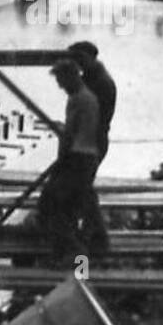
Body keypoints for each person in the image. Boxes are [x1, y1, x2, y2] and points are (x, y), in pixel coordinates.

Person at [38, 59, 105, 266]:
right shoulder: (88, 98)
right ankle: (79, 252)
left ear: (71, 77)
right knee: (72, 205)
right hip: (86, 156)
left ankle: (76, 252)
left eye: (61, 80)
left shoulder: (78, 99)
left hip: (77, 158)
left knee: (51, 204)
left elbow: (71, 135)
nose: (60, 86)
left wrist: (61, 162)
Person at [68, 41, 117, 254]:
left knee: (83, 188)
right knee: (82, 188)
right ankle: (90, 235)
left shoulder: (99, 83)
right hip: (92, 139)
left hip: (92, 141)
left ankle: (95, 237)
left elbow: (93, 117)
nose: (77, 63)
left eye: (79, 58)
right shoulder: (94, 78)